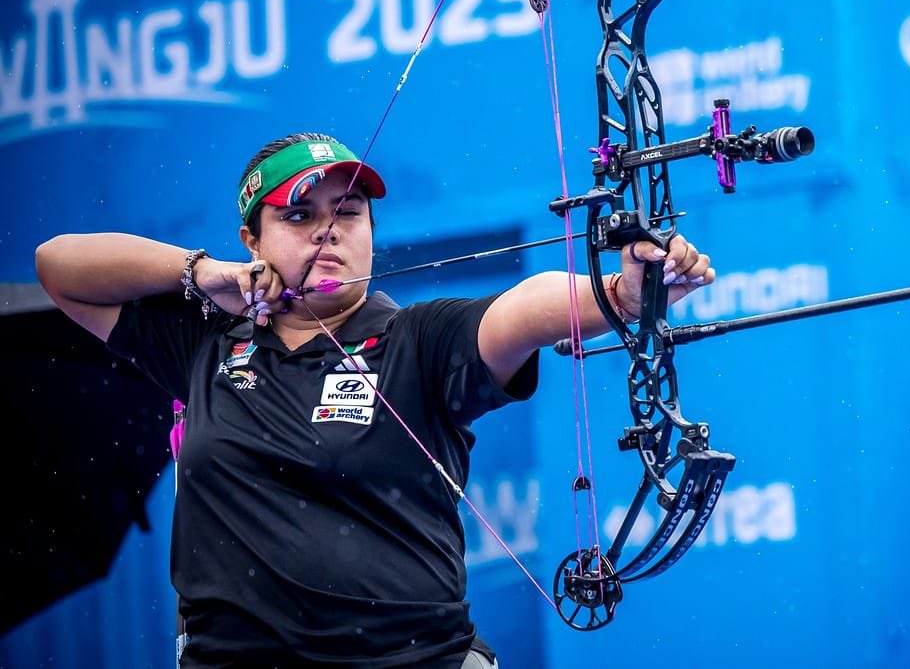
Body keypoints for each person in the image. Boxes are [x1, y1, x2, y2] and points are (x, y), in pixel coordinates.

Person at [35, 132, 715, 668]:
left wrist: (621, 295)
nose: (326, 230)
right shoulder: (206, 342)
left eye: (348, 213)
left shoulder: (417, 340)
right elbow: (58, 266)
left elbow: (523, 310)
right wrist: (198, 271)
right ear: (252, 240)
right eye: (298, 215)